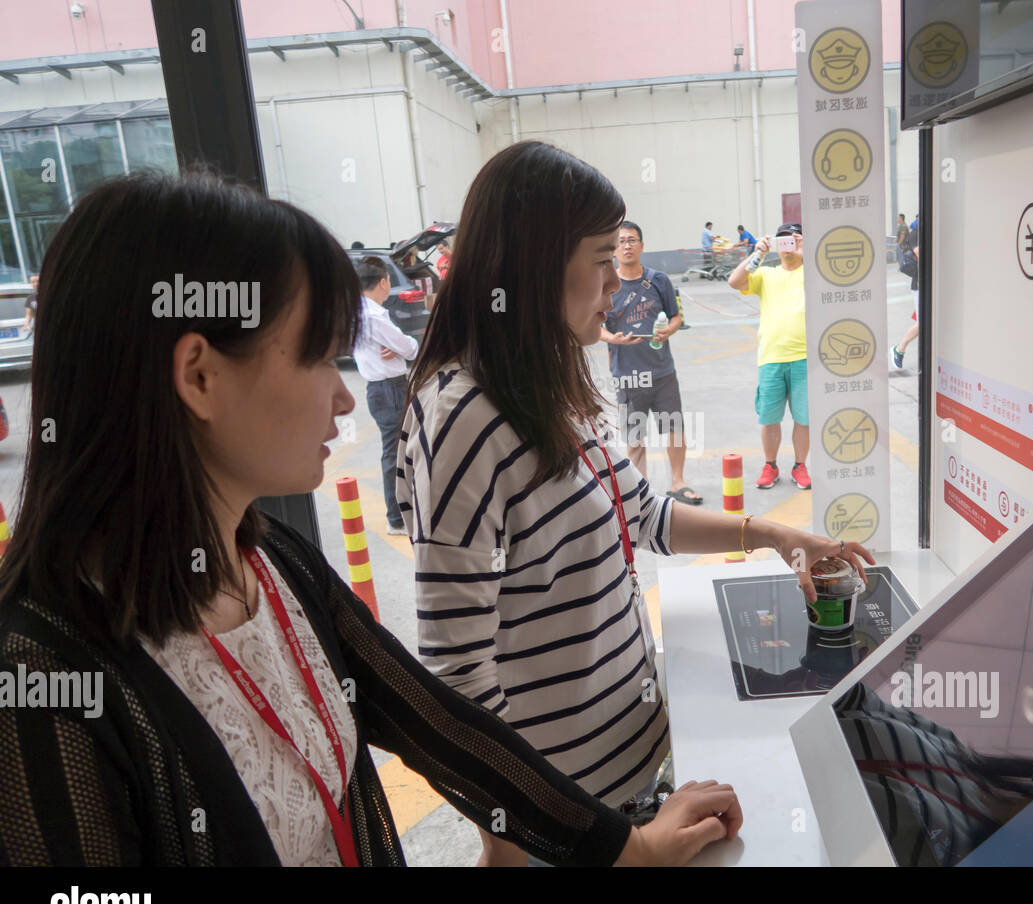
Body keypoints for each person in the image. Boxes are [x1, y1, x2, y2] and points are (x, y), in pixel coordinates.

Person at [0, 169, 744, 867]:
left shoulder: (273, 564)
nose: (347, 398)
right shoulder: (43, 675)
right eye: (321, 359)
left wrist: (621, 848)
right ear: (199, 375)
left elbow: (439, 725)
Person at [397, 141, 875, 865]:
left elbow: (644, 514)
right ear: (531, 269)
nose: (615, 286)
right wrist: (587, 847)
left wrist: (776, 535)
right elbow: (457, 692)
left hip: (628, 787)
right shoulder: (464, 420)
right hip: (569, 827)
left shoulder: (551, 386)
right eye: (598, 262)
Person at [599, 220, 702, 506]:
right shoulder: (607, 285)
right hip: (628, 376)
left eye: (632, 240)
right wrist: (614, 339)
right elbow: (597, 327)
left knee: (675, 429)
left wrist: (670, 328)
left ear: (642, 246)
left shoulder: (659, 280)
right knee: (634, 437)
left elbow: (676, 316)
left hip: (662, 371)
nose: (627, 246)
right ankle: (640, 491)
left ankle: (678, 482)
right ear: (614, 249)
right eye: (621, 241)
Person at [728, 222, 811, 490]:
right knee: (769, 417)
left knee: (804, 418)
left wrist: (805, 252)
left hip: (805, 357)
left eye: (793, 239)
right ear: (775, 243)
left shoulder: (812, 273)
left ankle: (800, 465)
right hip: (771, 357)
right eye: (783, 239)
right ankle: (770, 465)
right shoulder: (765, 273)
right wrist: (757, 253)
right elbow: (734, 281)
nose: (788, 244)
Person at [353, 256, 420, 535]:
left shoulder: (358, 311)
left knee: (398, 451)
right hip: (389, 388)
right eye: (389, 281)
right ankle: (396, 518)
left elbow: (398, 346)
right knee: (395, 454)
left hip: (381, 388)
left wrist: (397, 347)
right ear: (383, 282)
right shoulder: (374, 316)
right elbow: (411, 348)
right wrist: (402, 346)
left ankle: (401, 512)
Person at [893, 219, 921, 368]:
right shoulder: (916, 233)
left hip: (932, 284)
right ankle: (900, 348)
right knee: (923, 323)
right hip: (920, 284)